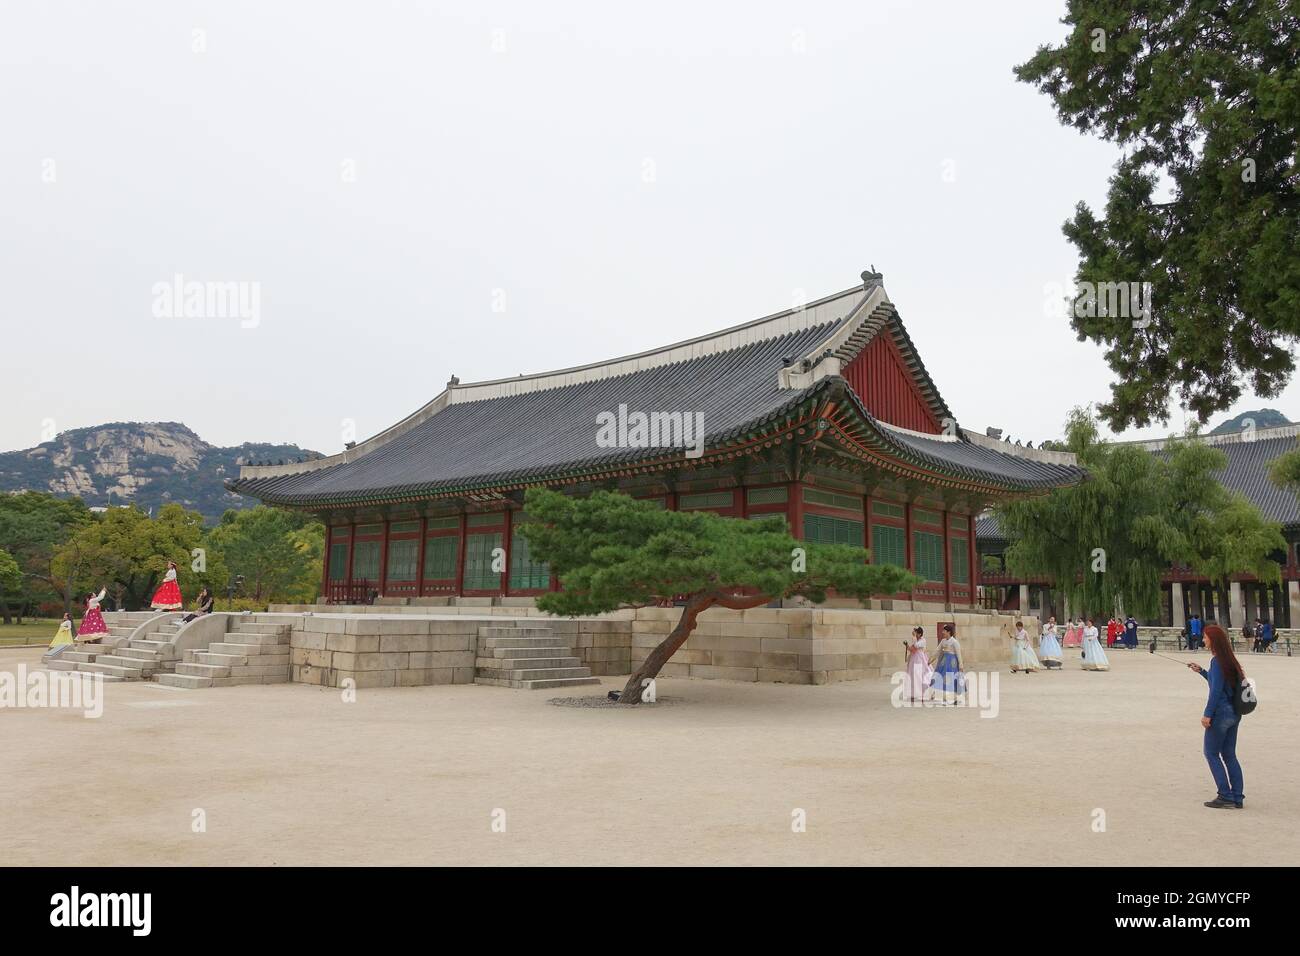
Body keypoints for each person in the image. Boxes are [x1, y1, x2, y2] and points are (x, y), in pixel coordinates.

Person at [1187, 624, 1246, 809]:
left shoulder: (1217, 661)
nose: (1203, 640)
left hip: (1220, 713)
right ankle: (1237, 796)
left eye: (1205, 637)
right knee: (1229, 755)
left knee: (1211, 753)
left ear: (1213, 640)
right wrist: (1202, 672)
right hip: (1234, 712)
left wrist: (1207, 714)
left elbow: (1216, 691)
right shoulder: (1227, 659)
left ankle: (1224, 794)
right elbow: (1221, 684)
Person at [930, 623, 965, 702]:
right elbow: (937, 651)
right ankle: (935, 693)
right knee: (939, 676)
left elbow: (959, 654)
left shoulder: (954, 642)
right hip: (944, 662)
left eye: (944, 631)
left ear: (949, 632)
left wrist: (961, 665)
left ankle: (955, 697)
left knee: (952, 678)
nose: (943, 632)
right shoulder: (943, 641)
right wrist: (931, 659)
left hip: (952, 664)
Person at [902, 626, 934, 702]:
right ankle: (913, 694)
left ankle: (924, 694)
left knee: (921, 676)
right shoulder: (916, 640)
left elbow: (916, 645)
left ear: (919, 634)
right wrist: (907, 646)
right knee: (912, 676)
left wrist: (913, 638)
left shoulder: (923, 640)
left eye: (916, 632)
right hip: (914, 659)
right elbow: (912, 649)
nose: (914, 633)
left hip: (920, 659)